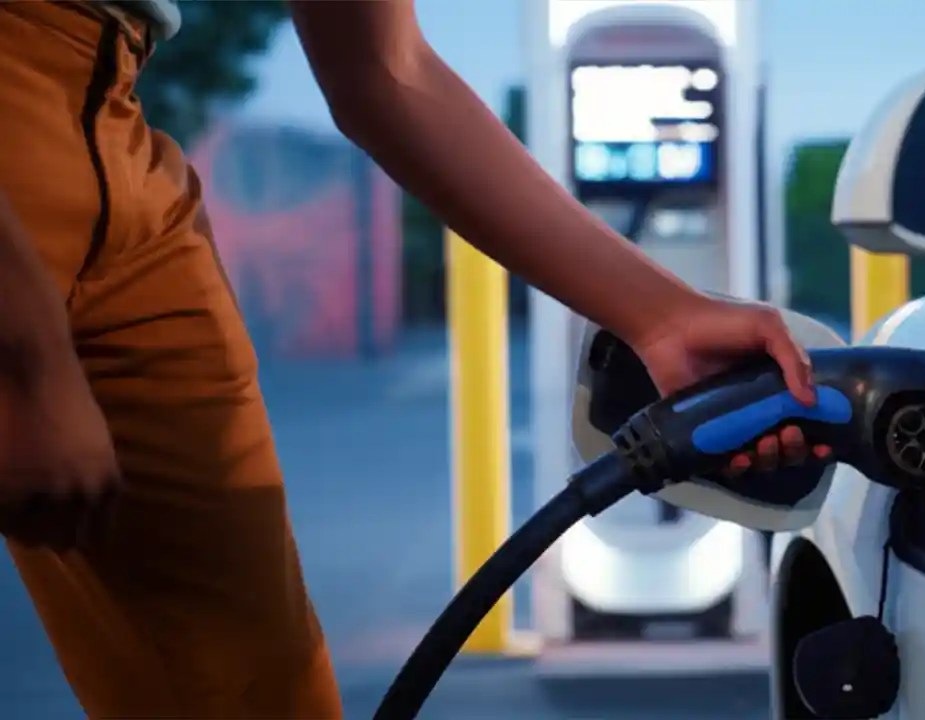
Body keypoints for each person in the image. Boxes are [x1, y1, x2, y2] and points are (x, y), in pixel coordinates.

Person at [0, 1, 829, 717]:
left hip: (118, 124)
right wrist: (26, 361)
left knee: (253, 687)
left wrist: (665, 317)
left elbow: (383, 70)